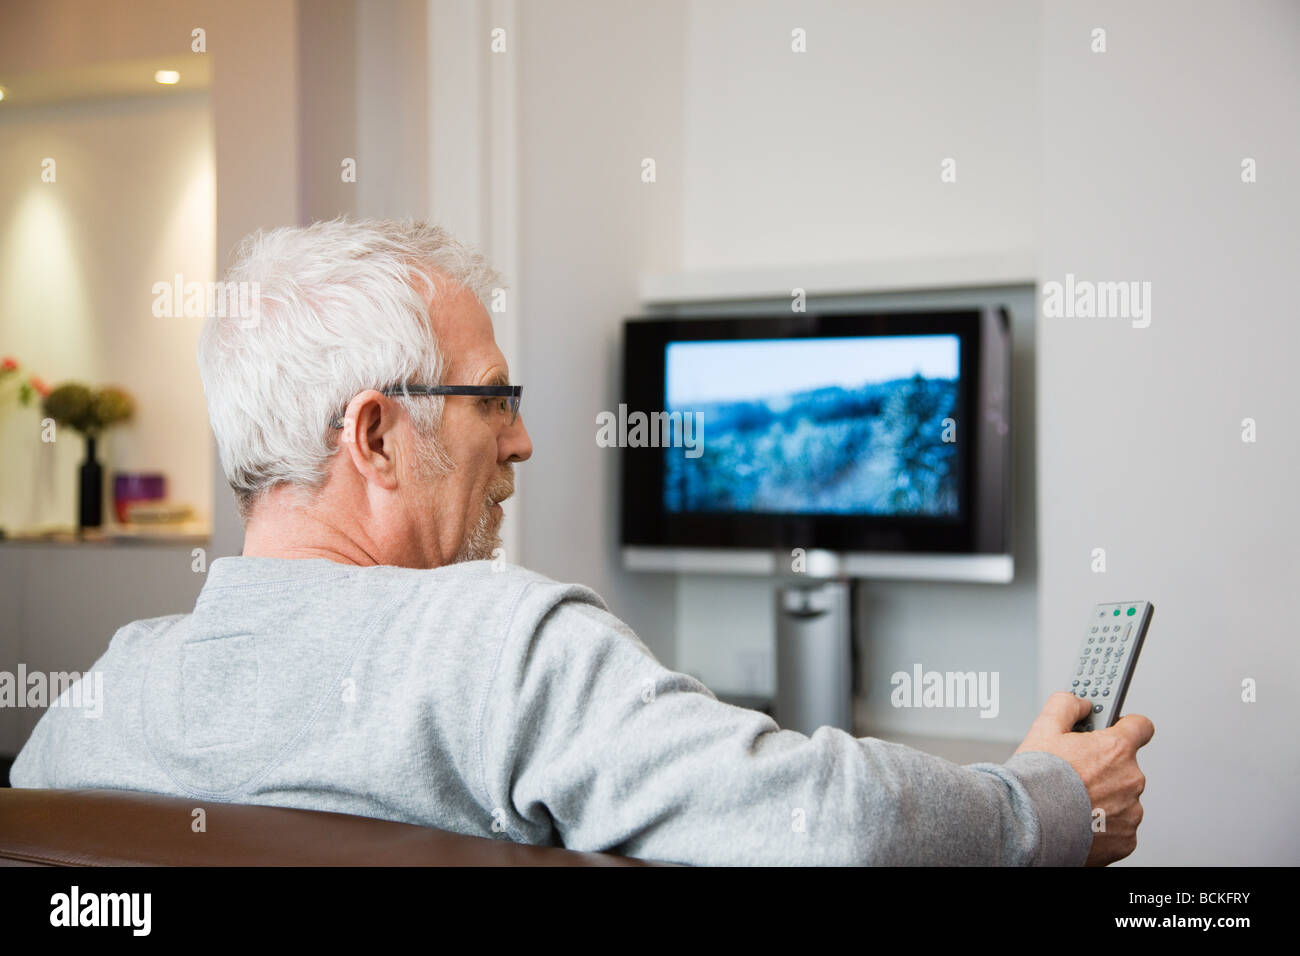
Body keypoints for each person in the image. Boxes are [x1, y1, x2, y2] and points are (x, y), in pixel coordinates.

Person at [10, 217, 1152, 865]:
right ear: (374, 434)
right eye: (490, 399)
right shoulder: (499, 645)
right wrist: (1042, 796)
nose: (523, 441)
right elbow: (831, 822)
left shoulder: (97, 700)